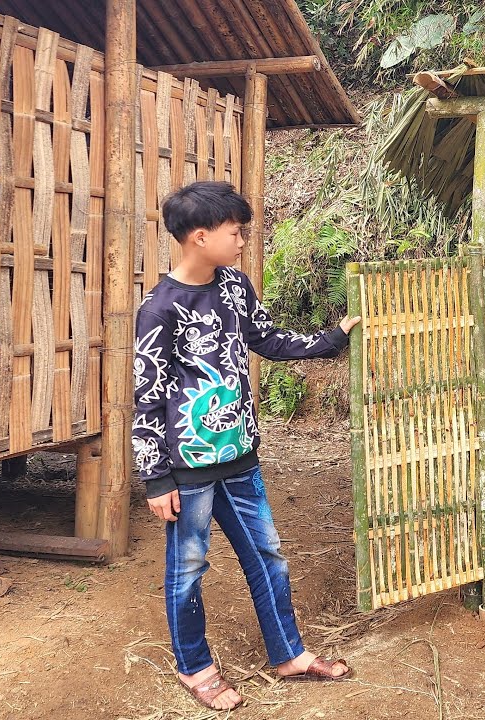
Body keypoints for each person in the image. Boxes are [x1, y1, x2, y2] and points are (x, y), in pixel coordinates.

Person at [132, 180, 360, 711]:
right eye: (235, 233)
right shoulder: (159, 310)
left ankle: (289, 654)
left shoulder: (234, 286)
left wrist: (333, 338)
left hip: (239, 459)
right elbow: (148, 398)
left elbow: (269, 339)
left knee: (269, 556)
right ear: (199, 236)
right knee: (188, 569)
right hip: (186, 469)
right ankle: (196, 667)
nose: (242, 242)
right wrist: (156, 478)